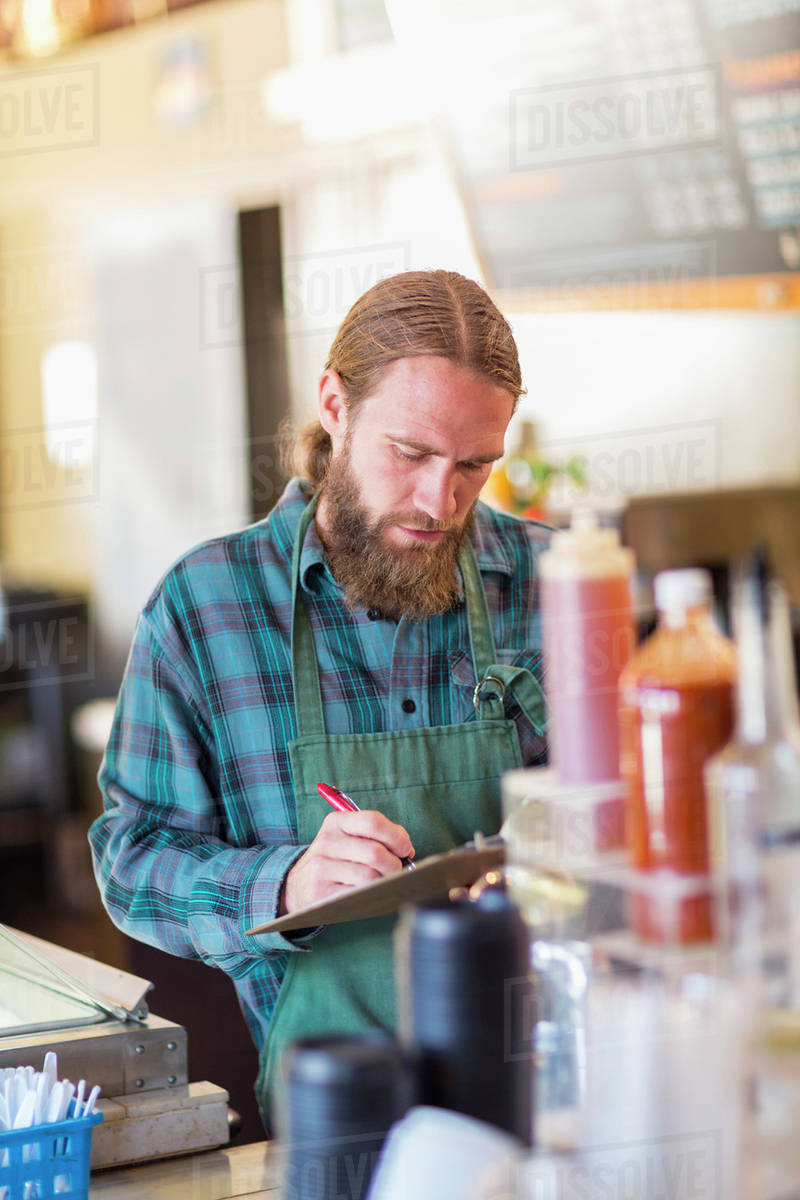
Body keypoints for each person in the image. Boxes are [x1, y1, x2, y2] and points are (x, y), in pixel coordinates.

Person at [88, 269, 549, 1129]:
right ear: (335, 404)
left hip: (553, 1098)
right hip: (337, 1121)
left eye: (475, 466)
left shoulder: (558, 585)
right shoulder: (207, 607)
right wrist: (284, 884)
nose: (439, 502)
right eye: (410, 454)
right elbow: (130, 858)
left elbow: (654, 826)